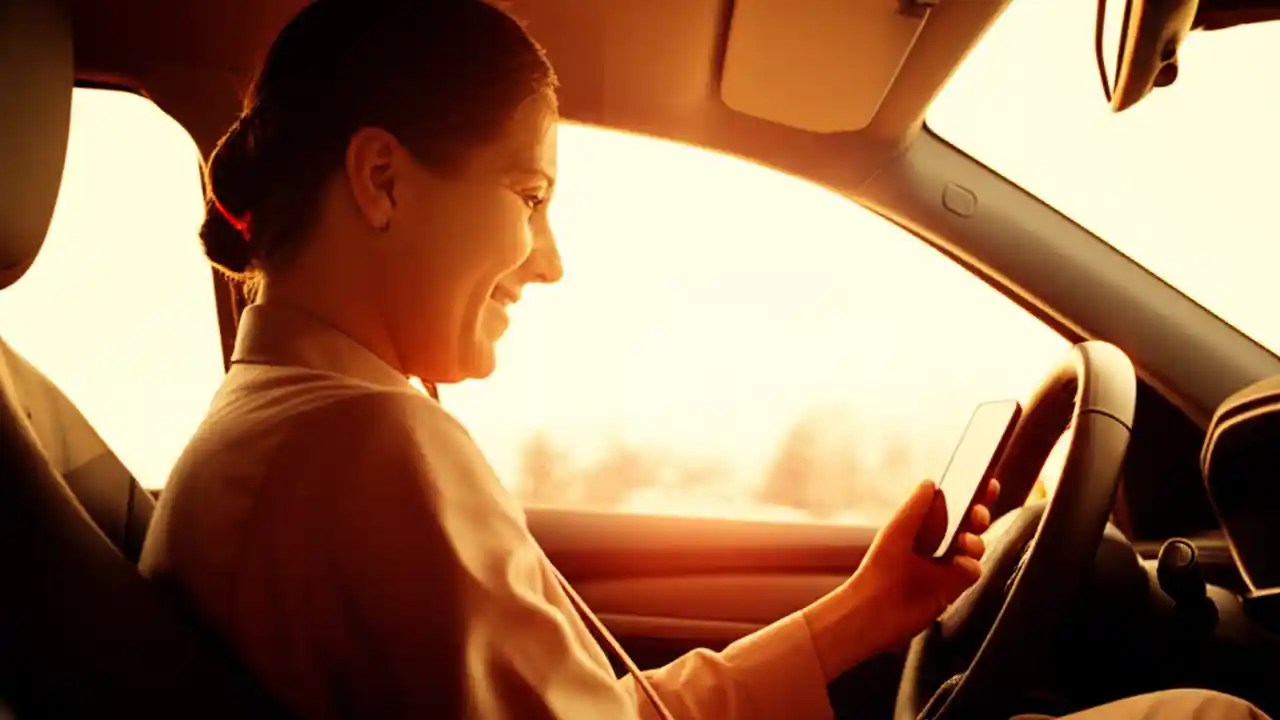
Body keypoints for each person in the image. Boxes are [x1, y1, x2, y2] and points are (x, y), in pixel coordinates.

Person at [137, 2, 1270, 719]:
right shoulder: (363, 448)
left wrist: (863, 611)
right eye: (529, 199)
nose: (550, 263)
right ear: (381, 180)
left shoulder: (288, 428)